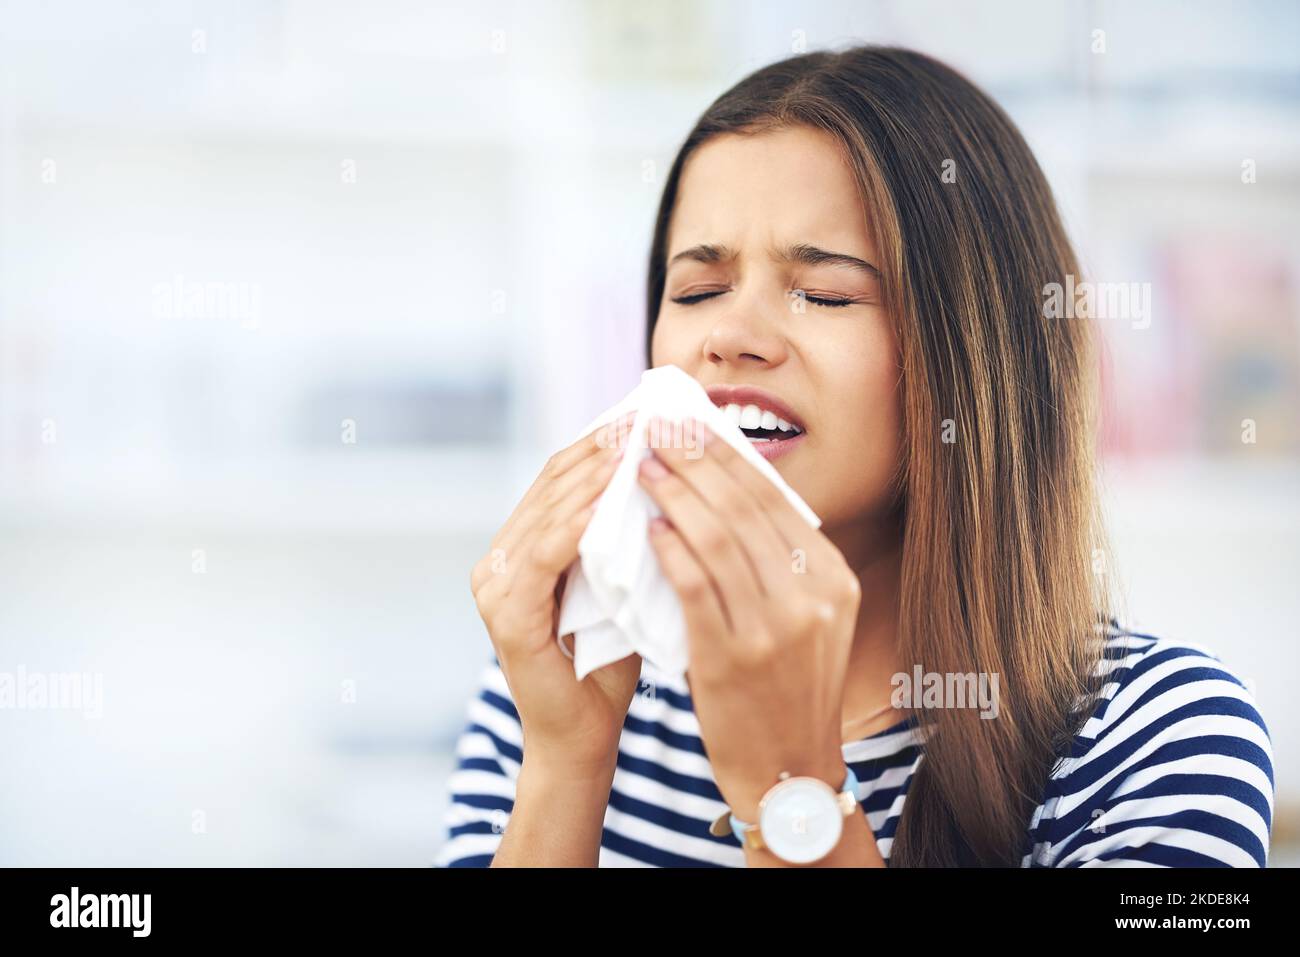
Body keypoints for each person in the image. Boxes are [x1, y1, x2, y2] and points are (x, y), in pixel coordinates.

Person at [436, 45, 1274, 867]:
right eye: (696, 291)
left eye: (826, 293)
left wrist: (793, 789)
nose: (730, 337)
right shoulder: (565, 678)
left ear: (973, 358)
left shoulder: (1163, 739)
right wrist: (566, 763)